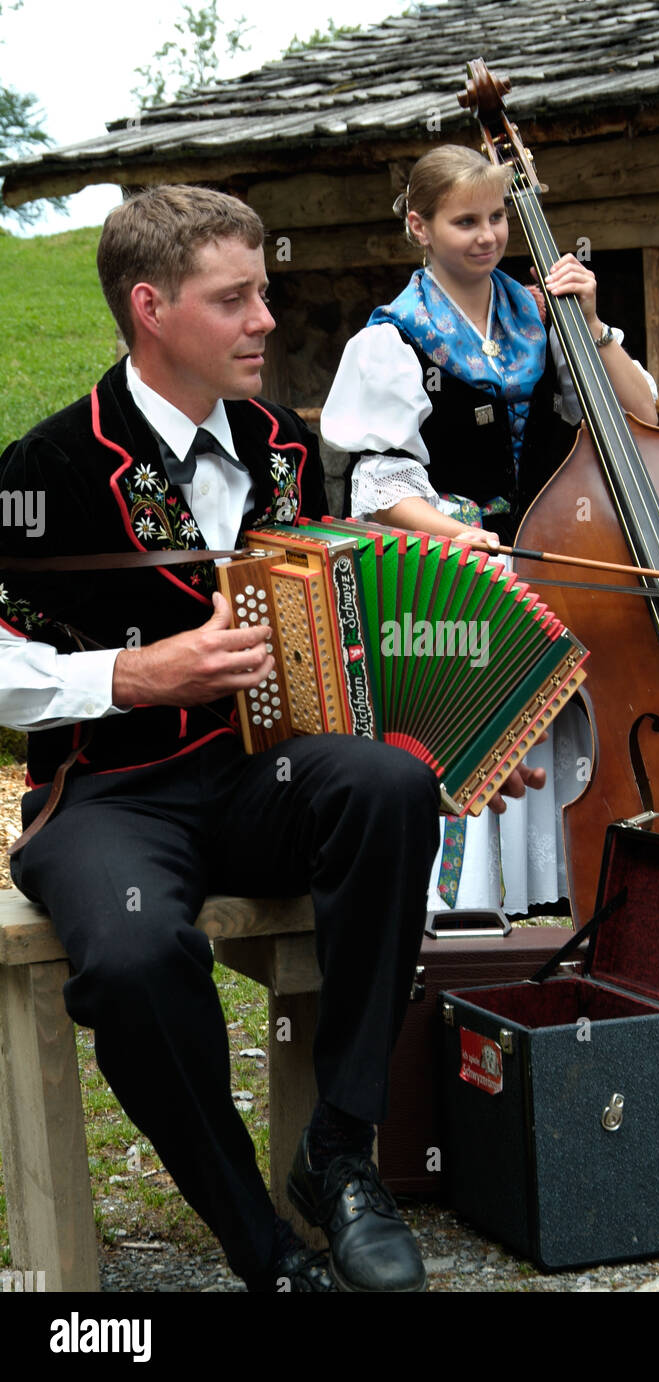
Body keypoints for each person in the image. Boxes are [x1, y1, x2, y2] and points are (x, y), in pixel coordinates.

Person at [0, 184, 538, 1294]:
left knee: (389, 784)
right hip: (111, 796)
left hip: (264, 776)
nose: (264, 321)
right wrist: (130, 673)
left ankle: (340, 1151)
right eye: (233, 298)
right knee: (140, 953)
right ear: (151, 308)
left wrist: (460, 730)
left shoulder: (285, 448)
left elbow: (335, 633)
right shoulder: (44, 472)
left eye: (264, 293)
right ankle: (256, 1237)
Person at [320, 144, 658, 914]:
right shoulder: (391, 339)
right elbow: (378, 486)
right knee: (476, 733)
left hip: (552, 560)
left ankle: (553, 906)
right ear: (420, 226)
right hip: (456, 571)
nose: (487, 235)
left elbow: (640, 414)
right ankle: (465, 920)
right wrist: (454, 534)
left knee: (559, 727)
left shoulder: (544, 316)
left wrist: (594, 322)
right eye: (464, 220)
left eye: (497, 216)